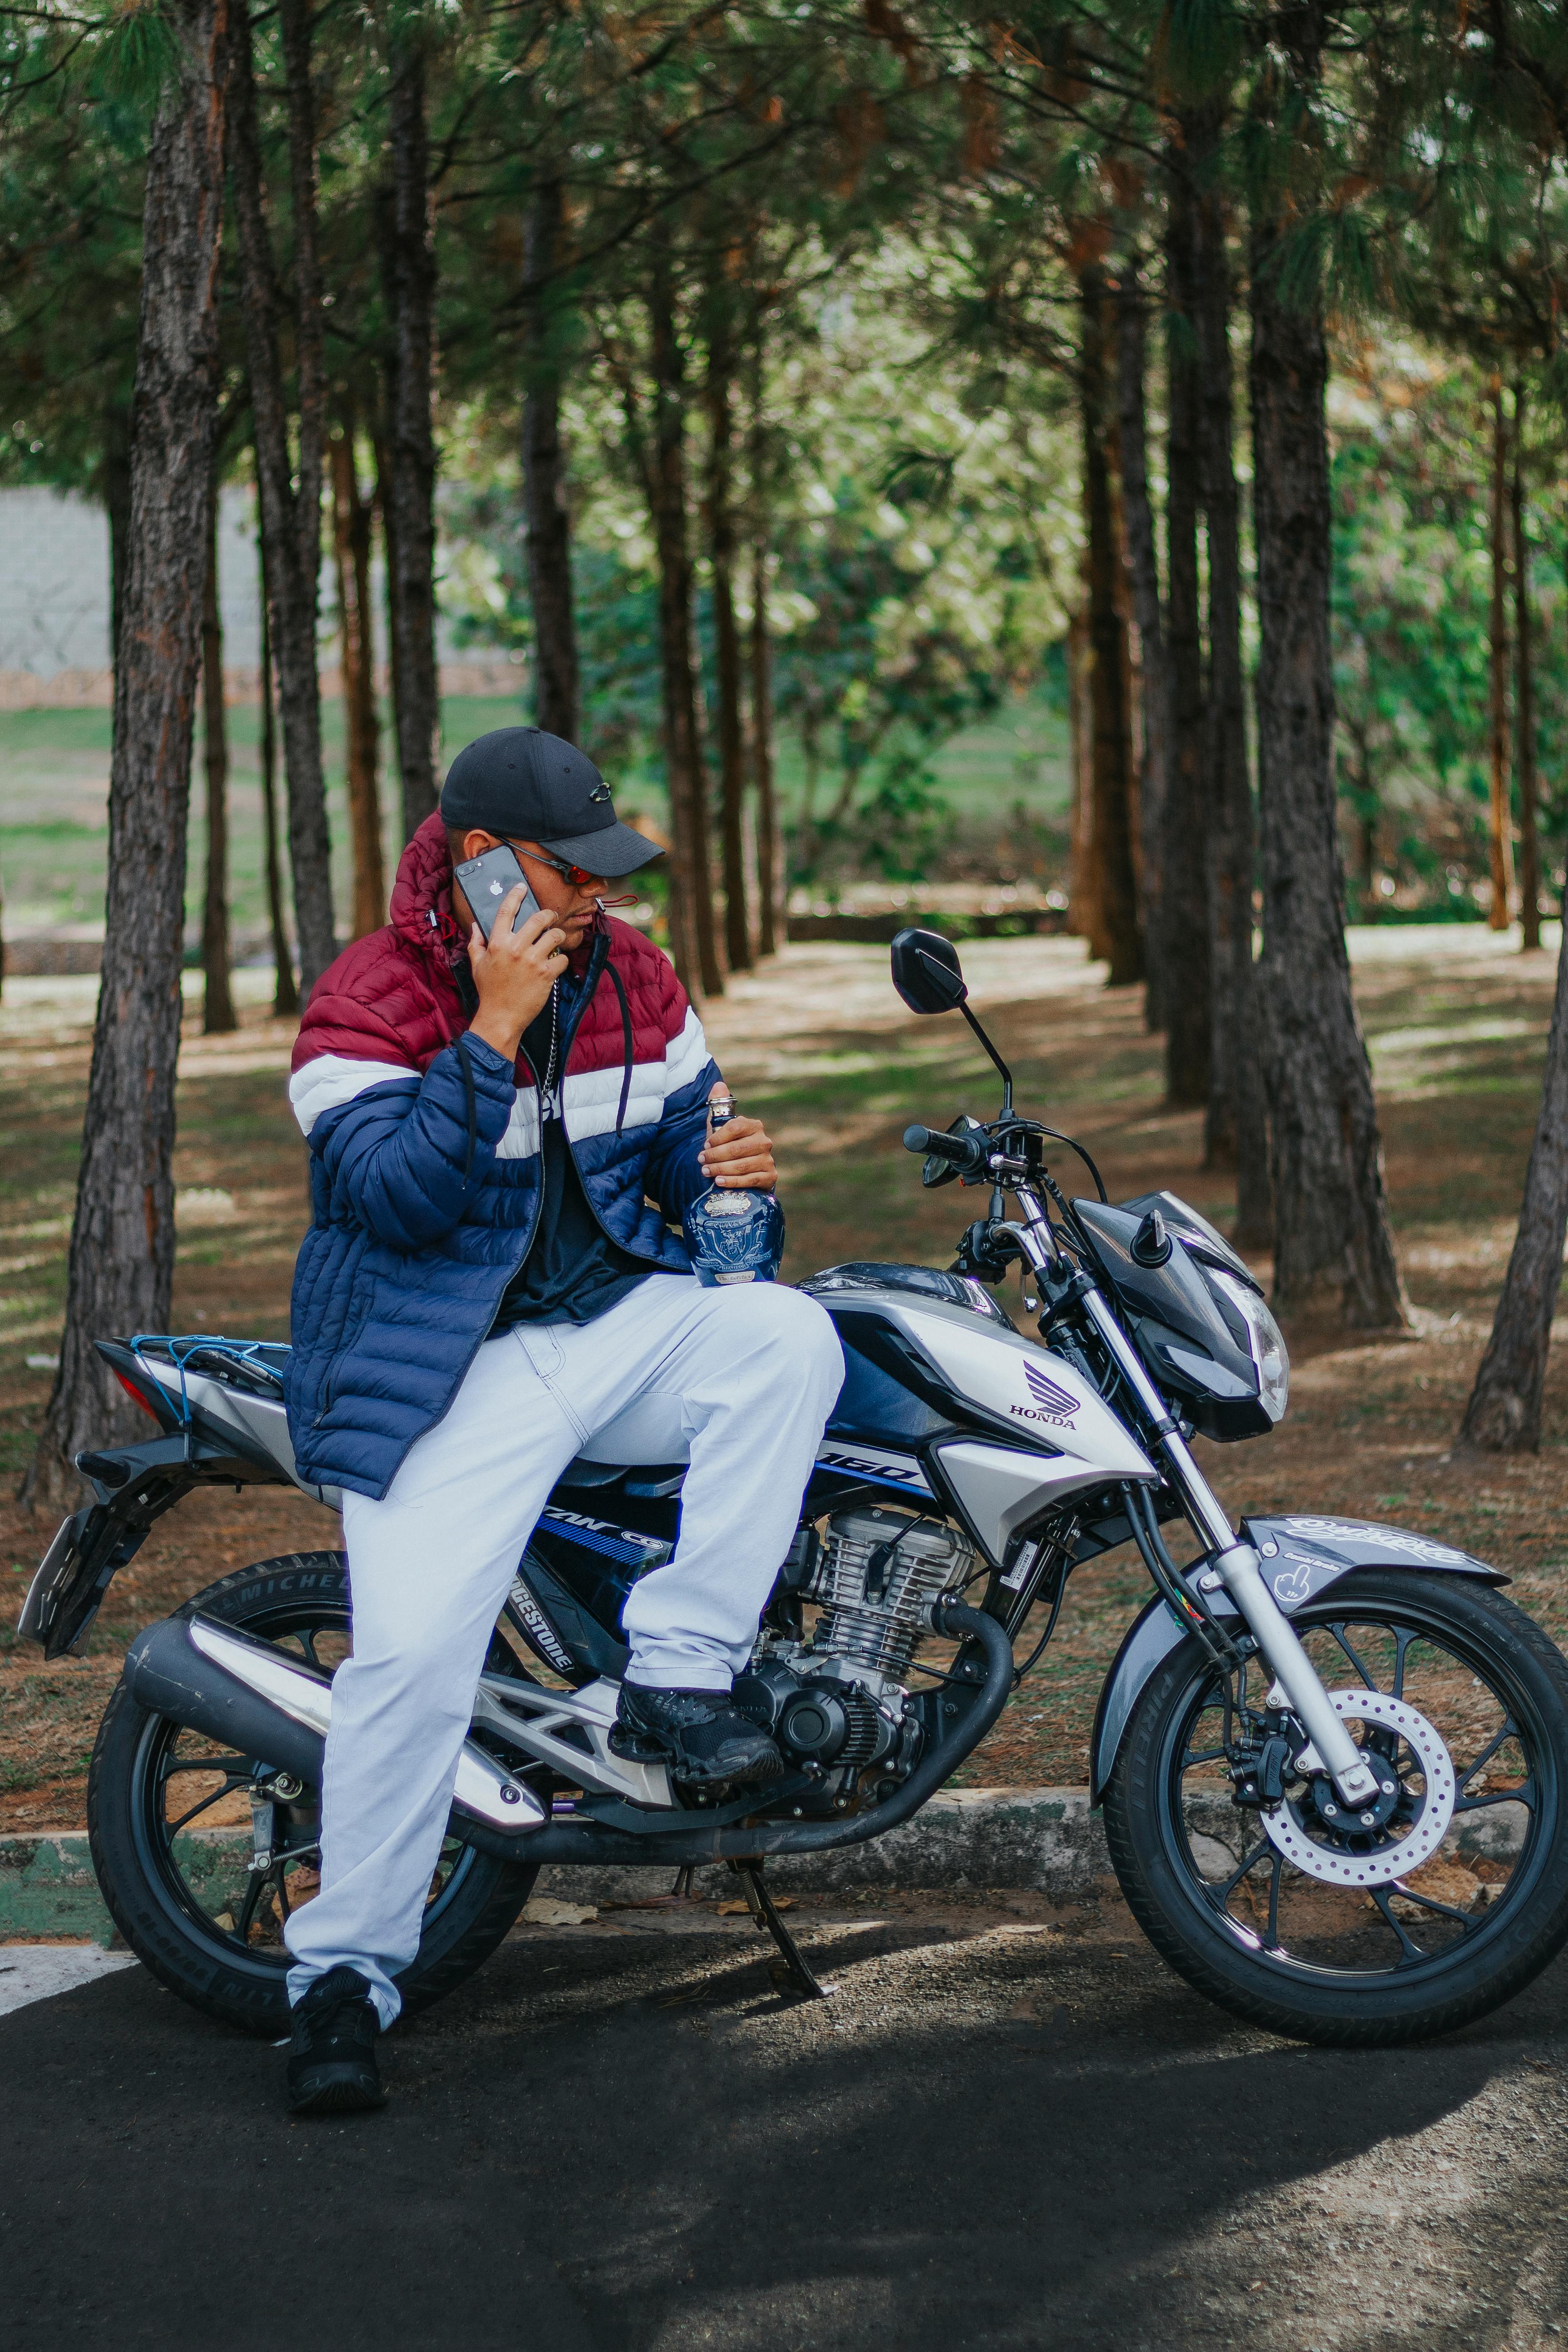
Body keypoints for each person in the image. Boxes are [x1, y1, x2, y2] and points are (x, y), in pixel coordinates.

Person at [278, 726, 843, 2115]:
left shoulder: (638, 977)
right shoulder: (363, 1003)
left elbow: (698, 1196)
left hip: (608, 1325)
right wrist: (491, 1029)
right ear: (479, 866)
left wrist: (742, 1187)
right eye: (565, 872)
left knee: (788, 1337)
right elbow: (400, 1201)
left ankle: (680, 1674)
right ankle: (341, 1978)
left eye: (603, 871)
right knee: (411, 1664)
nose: (595, 899)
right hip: (438, 1372)